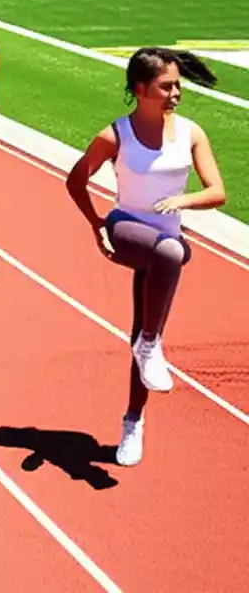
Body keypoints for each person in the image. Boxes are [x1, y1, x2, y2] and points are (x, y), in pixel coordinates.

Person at [65, 47, 224, 467]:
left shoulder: (191, 133)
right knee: (172, 254)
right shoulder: (115, 136)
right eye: (167, 86)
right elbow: (75, 180)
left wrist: (183, 200)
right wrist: (96, 224)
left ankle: (133, 420)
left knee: (148, 312)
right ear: (140, 89)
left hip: (166, 241)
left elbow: (217, 191)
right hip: (126, 229)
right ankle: (151, 344)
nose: (176, 93)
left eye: (178, 85)